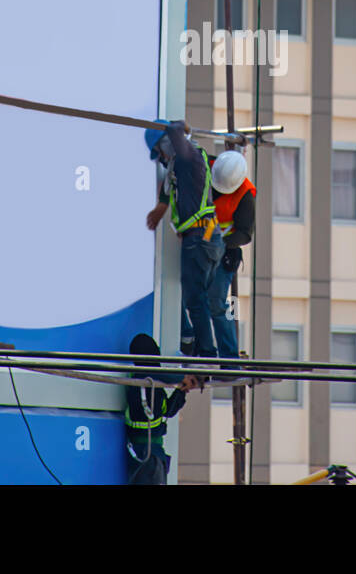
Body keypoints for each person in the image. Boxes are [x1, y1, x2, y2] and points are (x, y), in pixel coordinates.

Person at [144, 120, 224, 357]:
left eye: (160, 152)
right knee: (202, 300)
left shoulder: (189, 156)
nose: (160, 158)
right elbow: (168, 191)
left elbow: (176, 130)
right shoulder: (179, 168)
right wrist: (160, 208)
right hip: (207, 234)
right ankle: (207, 349)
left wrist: (180, 127)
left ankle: (207, 352)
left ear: (166, 145)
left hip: (200, 238)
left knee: (195, 301)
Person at [123, 333, 197, 485]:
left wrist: (181, 391)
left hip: (153, 452)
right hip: (145, 454)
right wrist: (180, 377)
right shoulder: (141, 378)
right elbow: (150, 371)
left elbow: (167, 411)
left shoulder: (154, 384)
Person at [205, 149, 255, 360]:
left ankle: (229, 357)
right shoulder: (207, 166)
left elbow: (245, 233)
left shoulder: (244, 195)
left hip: (223, 252)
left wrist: (220, 243)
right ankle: (197, 346)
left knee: (216, 303)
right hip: (196, 243)